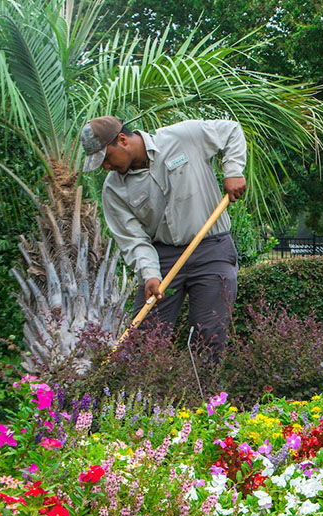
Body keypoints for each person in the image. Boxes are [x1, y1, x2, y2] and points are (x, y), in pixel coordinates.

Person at [80, 116, 247, 360]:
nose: (105, 167)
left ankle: (207, 396)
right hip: (163, 259)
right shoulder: (114, 190)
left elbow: (231, 130)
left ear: (123, 140)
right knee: (146, 340)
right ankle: (148, 397)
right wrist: (150, 274)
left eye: (106, 159)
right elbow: (134, 240)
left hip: (212, 249)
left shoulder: (182, 136)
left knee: (210, 337)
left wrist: (233, 171)